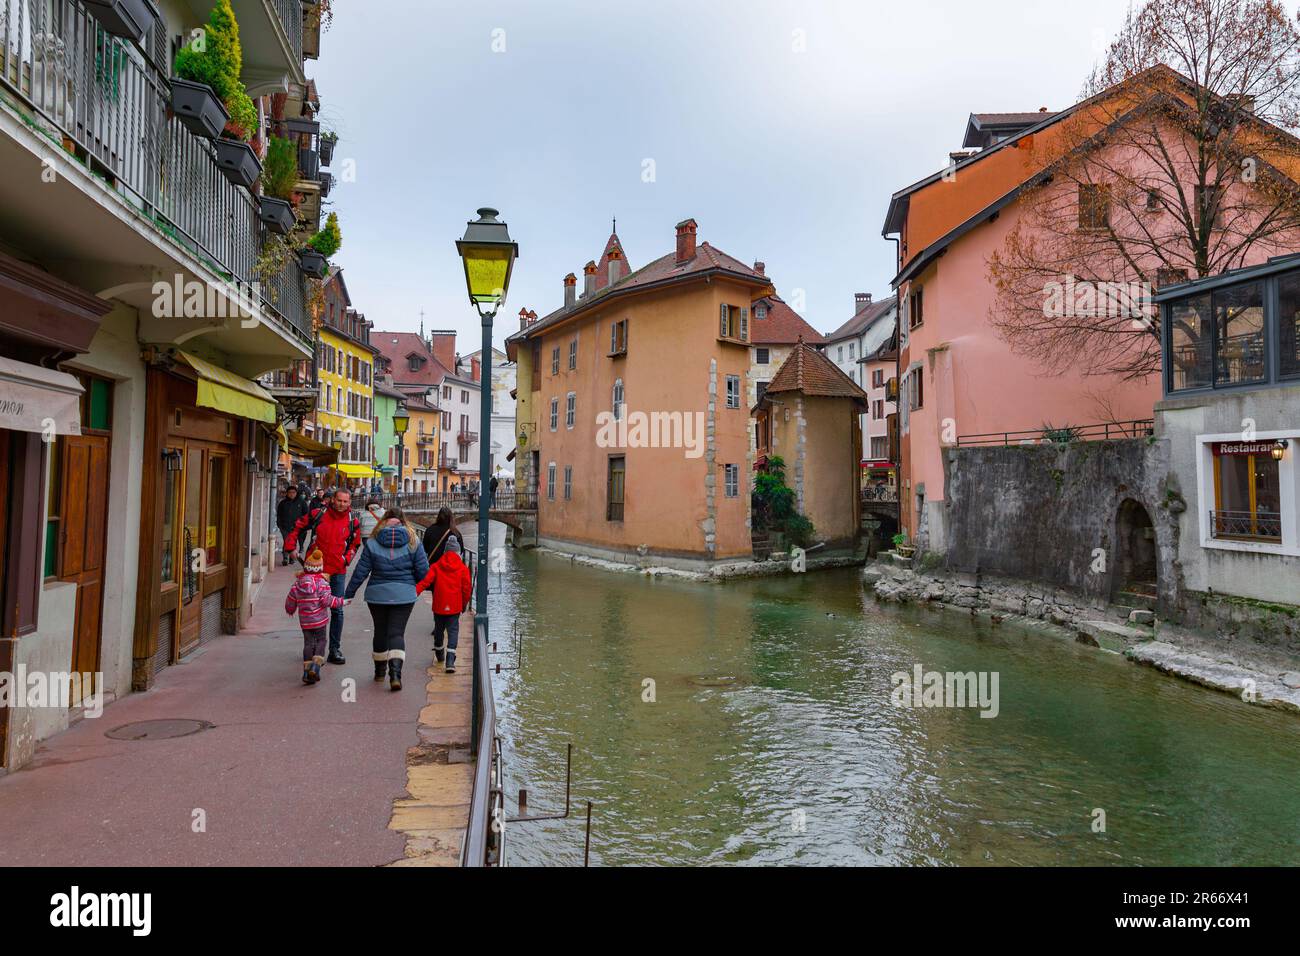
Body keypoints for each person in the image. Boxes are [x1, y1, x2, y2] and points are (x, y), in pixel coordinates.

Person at [344, 509, 429, 691]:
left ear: (383, 521)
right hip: (404, 595)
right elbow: (424, 572)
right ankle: (396, 675)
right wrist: (410, 586)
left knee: (380, 632)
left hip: (377, 594)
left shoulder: (373, 542)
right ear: (403, 522)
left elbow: (361, 571)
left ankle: (380, 672)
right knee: (397, 634)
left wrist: (349, 593)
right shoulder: (414, 541)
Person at [284, 488, 361, 665]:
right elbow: (297, 526)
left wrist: (346, 559)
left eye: (345, 502)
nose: (342, 504)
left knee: (337, 609)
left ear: (350, 503)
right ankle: (312, 648)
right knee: (311, 608)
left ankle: (334, 649)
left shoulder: (352, 521)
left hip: (337, 570)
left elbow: (355, 544)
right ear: (333, 499)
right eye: (339, 500)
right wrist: (290, 546)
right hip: (314, 570)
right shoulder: (318, 514)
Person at [284, 549, 347, 684]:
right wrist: (342, 601)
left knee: (308, 644)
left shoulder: (297, 584)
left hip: (305, 621)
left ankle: (307, 672)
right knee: (321, 641)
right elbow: (327, 600)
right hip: (320, 620)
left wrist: (290, 609)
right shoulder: (323, 583)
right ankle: (316, 666)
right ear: (320, 568)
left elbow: (290, 601)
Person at [415, 536, 472, 673]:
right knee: (453, 632)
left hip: (439, 606)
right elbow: (466, 589)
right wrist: (463, 604)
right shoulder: (463, 569)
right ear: (458, 553)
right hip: (454, 606)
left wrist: (413, 593)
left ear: (445, 552)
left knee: (439, 630)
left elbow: (425, 582)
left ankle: (439, 653)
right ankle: (450, 660)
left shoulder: (436, 566)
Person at [275, 485, 308, 565]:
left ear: (296, 493)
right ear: (287, 493)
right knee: (287, 541)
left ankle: (292, 558)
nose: (291, 494)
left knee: (293, 542)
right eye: (290, 493)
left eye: (293, 492)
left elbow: (306, 514)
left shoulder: (301, 502)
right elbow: (279, 514)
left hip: (296, 527)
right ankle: (285, 558)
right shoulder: (283, 503)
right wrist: (279, 524)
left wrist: (303, 524)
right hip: (284, 526)